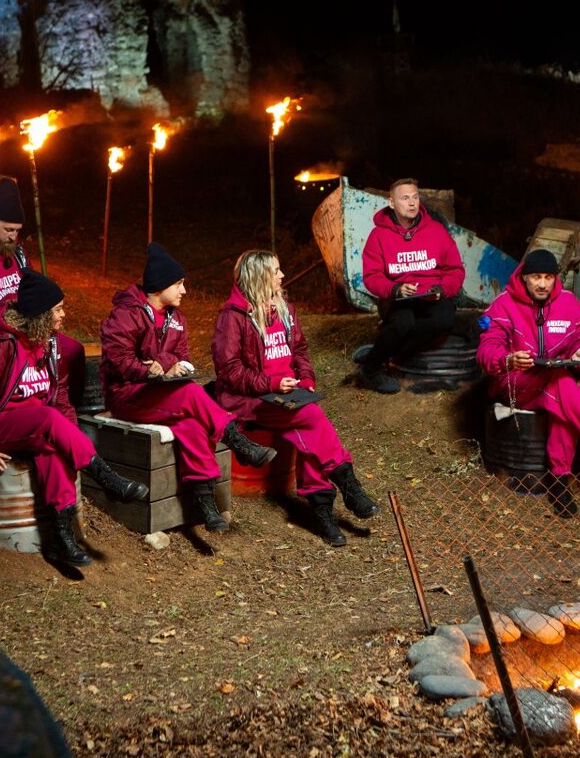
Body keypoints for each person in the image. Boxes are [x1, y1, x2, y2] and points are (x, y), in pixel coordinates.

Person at [0, 270, 148, 570]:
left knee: (54, 448)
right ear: (40, 316)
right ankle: (105, 476)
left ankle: (61, 538)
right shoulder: (0, 344)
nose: (63, 314)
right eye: (58, 309)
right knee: (48, 419)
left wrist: (69, 437)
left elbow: (60, 395)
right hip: (1, 425)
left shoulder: (48, 344)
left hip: (38, 426)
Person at [100, 243, 278, 533]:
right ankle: (237, 441)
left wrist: (170, 366)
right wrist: (150, 368)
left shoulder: (177, 319)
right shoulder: (126, 314)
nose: (184, 291)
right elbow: (118, 359)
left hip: (159, 393)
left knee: (191, 425)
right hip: (127, 395)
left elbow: (182, 357)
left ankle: (206, 506)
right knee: (192, 393)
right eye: (179, 284)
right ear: (160, 285)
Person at [212, 250, 379, 547]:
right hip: (249, 399)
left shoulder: (284, 308)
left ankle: (323, 512)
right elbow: (229, 371)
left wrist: (307, 380)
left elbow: (299, 350)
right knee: (313, 418)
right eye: (276, 270)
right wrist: (273, 382)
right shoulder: (233, 316)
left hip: (285, 395)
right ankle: (348, 486)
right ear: (260, 276)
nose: (282, 276)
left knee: (309, 431)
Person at [477, 250, 580, 517]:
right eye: (536, 278)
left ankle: (559, 482)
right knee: (561, 384)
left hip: (552, 383)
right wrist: (508, 359)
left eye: (548, 277)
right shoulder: (504, 304)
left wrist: (579, 352)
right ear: (523, 278)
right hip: (513, 384)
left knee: (560, 388)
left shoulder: (567, 302)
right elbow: (486, 351)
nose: (543, 284)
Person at [0, 177, 87, 407]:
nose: (13, 236)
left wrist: (44, 310)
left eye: (17, 231)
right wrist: (12, 316)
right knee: (16, 357)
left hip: (23, 328)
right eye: (8, 230)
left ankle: (64, 410)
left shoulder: (17, 252)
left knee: (72, 350)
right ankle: (19, 415)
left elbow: (33, 290)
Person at [358, 178, 466, 394]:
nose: (412, 203)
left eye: (415, 197)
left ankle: (381, 353)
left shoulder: (436, 230)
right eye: (405, 198)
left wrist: (442, 289)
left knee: (444, 318)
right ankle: (370, 369)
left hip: (431, 295)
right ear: (391, 202)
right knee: (404, 322)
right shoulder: (378, 235)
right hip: (398, 297)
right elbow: (371, 276)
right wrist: (395, 289)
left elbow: (455, 270)